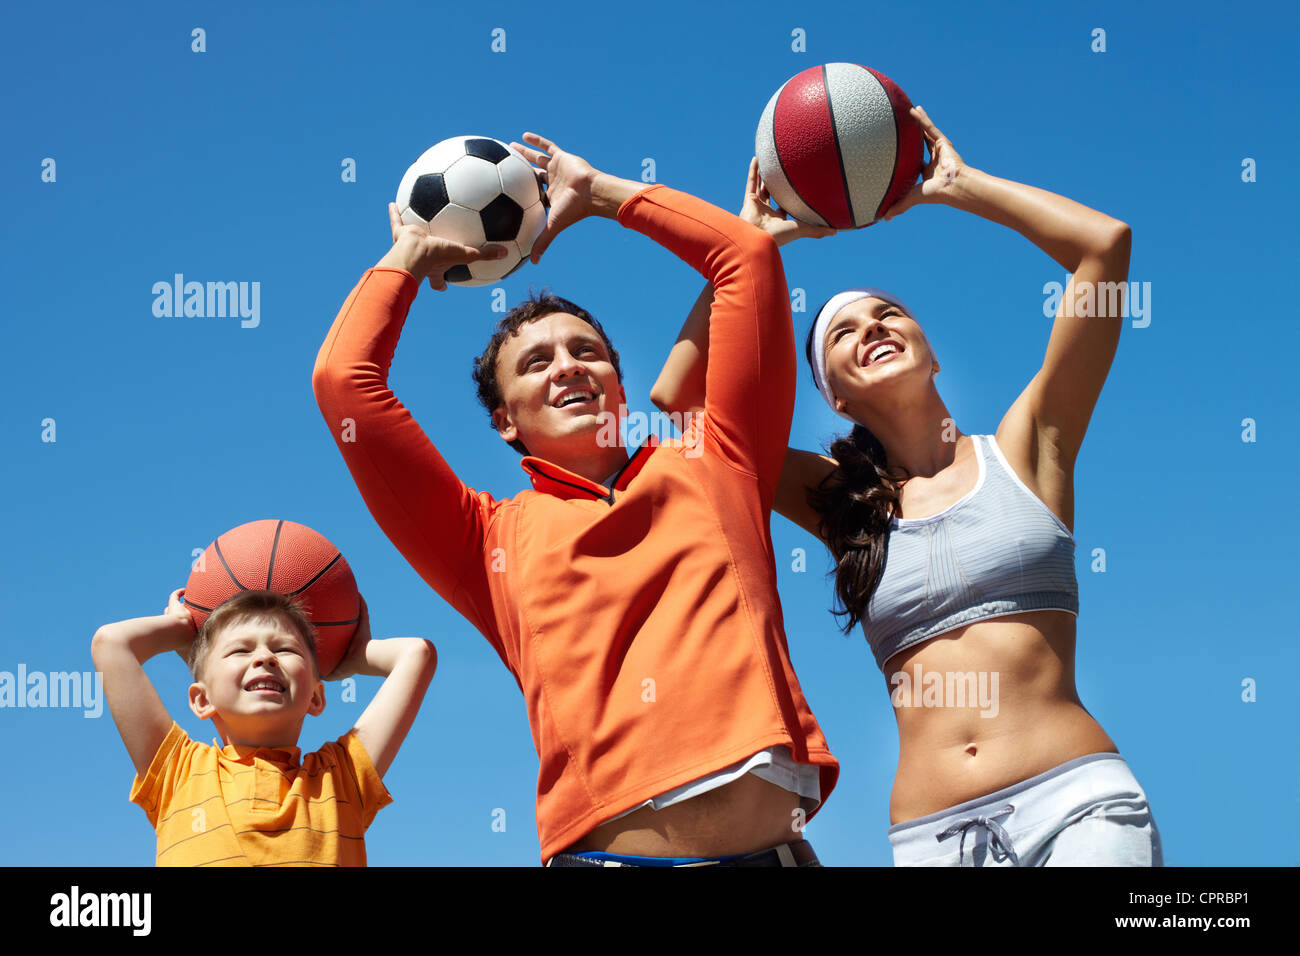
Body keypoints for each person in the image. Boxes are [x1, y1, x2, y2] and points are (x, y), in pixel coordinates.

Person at [651, 106, 1162, 866]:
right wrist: (752, 243)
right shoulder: (840, 505)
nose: (873, 327)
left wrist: (958, 185)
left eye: (888, 313)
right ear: (836, 396)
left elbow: (1104, 253)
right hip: (933, 836)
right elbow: (679, 403)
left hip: (1077, 807)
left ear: (932, 352)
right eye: (844, 333)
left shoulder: (1029, 446)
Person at [312, 132, 838, 867]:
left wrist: (599, 195)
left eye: (587, 351)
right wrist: (410, 256)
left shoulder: (720, 461)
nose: (568, 367)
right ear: (505, 420)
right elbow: (345, 384)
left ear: (620, 387)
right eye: (536, 362)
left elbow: (744, 259)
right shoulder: (485, 540)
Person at [91, 587, 436, 866]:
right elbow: (112, 644)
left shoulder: (343, 778)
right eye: (239, 650)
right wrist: (184, 628)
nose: (265, 658)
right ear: (202, 699)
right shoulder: (176, 772)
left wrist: (357, 653)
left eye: (286, 649)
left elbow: (417, 654)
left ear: (316, 696)